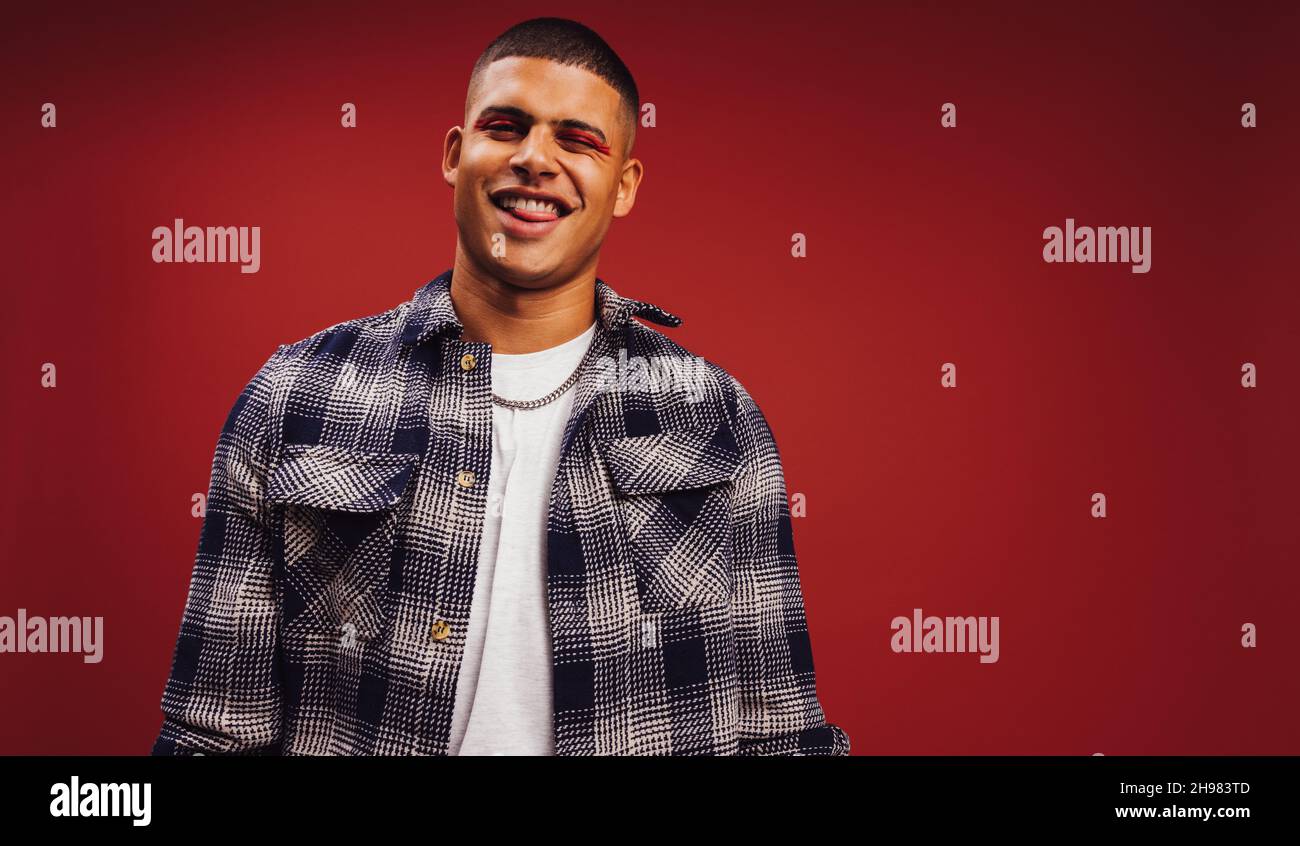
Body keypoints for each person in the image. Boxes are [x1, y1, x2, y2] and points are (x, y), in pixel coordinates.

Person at [152, 16, 849, 756]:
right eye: (506, 126)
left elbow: (782, 736)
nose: (535, 159)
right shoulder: (295, 397)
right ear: (456, 154)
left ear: (623, 186)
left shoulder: (716, 419)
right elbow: (212, 732)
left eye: (577, 140)